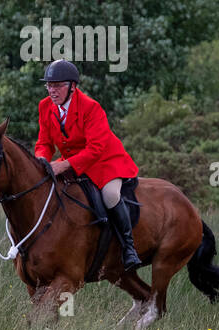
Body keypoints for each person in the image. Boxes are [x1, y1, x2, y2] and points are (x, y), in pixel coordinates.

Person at [34, 59, 141, 270]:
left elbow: (95, 149)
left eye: (58, 86)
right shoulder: (45, 106)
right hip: (72, 161)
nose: (52, 91)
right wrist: (41, 161)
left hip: (105, 162)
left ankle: (129, 248)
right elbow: (44, 143)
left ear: (72, 86)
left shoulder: (91, 107)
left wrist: (63, 166)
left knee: (110, 195)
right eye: (49, 85)